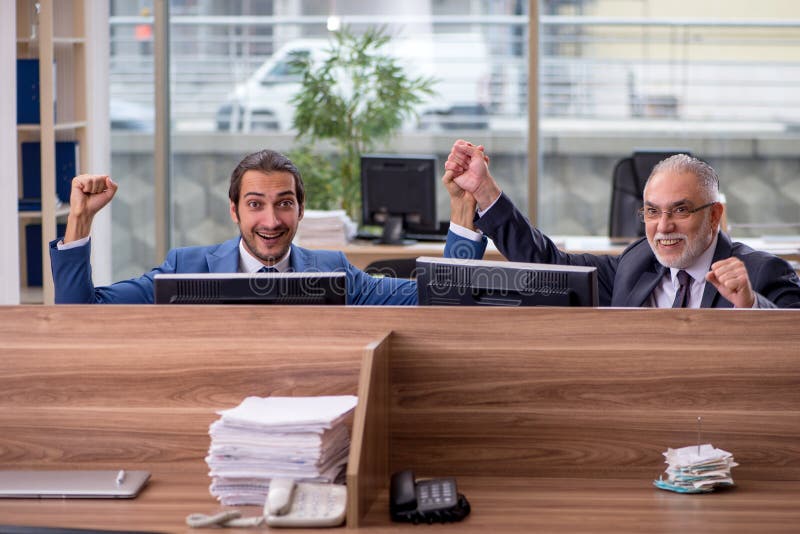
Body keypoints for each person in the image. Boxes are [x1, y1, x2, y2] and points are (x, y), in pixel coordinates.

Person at [442, 139, 800, 308]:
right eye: (652, 211)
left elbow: (790, 349)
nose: (663, 227)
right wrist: (485, 192)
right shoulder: (635, 264)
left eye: (680, 210)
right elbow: (548, 266)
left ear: (715, 215)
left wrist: (751, 306)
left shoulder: (764, 272)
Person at [50, 149, 417, 305]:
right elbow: (81, 312)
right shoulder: (185, 269)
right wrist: (80, 220)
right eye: (255, 204)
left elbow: (433, 300)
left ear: (300, 210)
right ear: (234, 210)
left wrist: (469, 208)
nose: (271, 221)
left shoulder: (335, 271)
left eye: (284, 204)